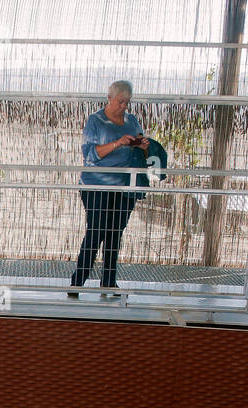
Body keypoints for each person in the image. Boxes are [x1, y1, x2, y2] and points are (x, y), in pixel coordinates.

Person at [69, 80, 148, 300]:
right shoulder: (96, 121)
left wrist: (142, 144)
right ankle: (77, 282)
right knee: (96, 233)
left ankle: (109, 281)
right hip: (97, 186)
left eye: (127, 102)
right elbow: (90, 154)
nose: (124, 106)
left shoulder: (132, 120)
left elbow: (140, 142)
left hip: (124, 188)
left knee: (115, 234)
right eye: (120, 101)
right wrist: (118, 143)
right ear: (109, 98)